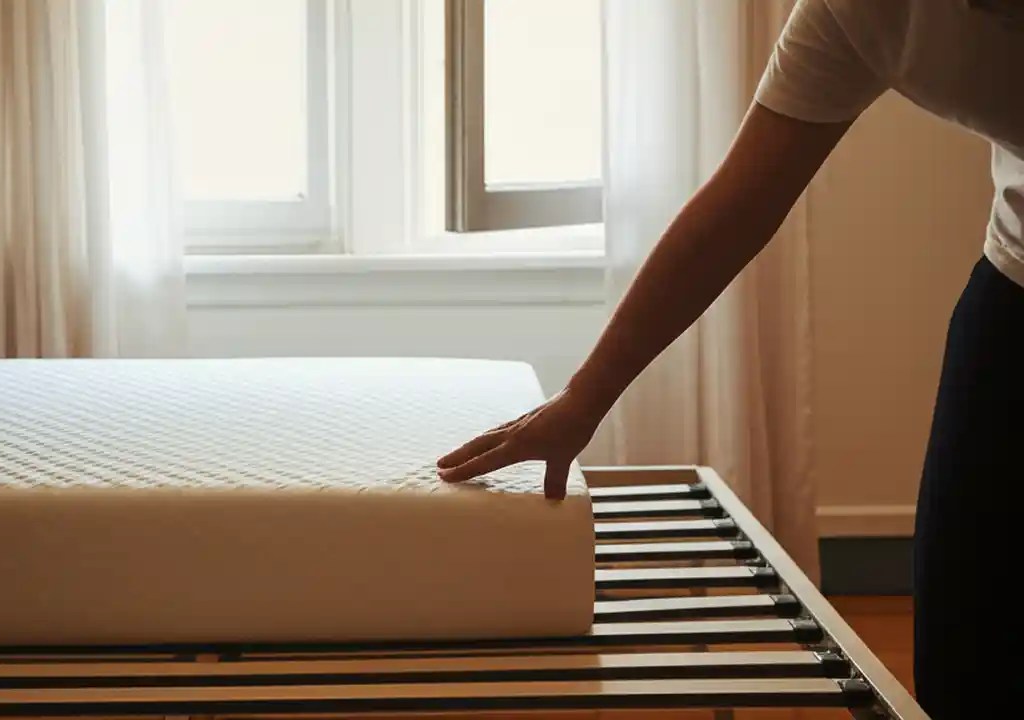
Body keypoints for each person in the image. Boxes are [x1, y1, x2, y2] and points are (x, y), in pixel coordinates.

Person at [437, 0, 1022, 716]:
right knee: (966, 644)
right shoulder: (858, 11)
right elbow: (738, 207)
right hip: (1016, 280)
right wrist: (582, 401)